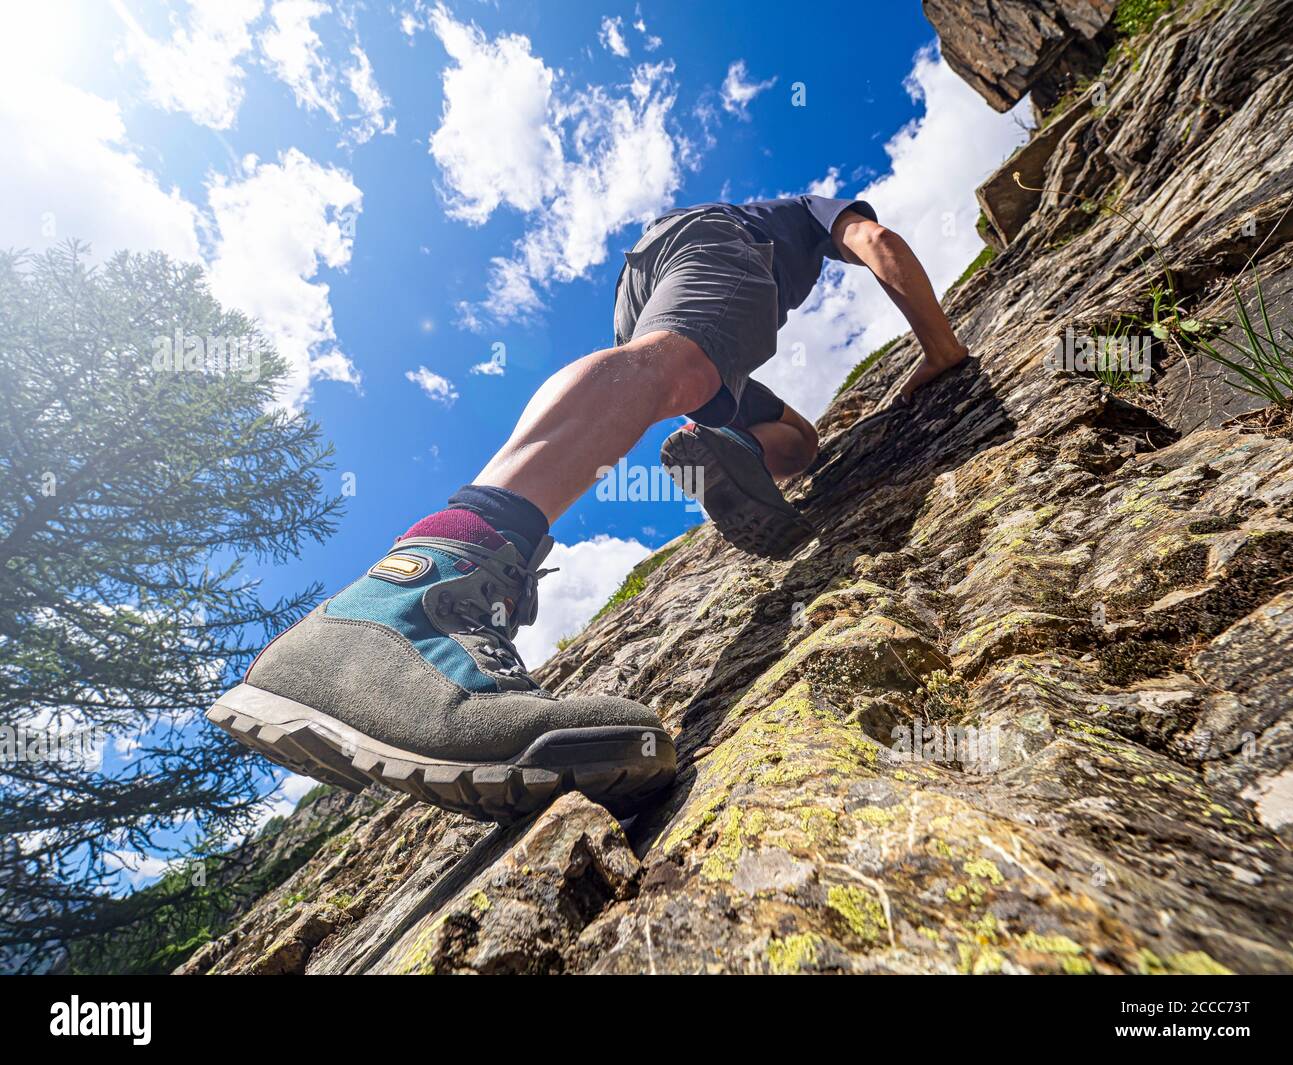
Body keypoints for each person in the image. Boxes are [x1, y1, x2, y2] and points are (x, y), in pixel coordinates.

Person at [209, 195, 969, 822]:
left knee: (795, 438)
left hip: (644, 288)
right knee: (676, 363)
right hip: (715, 246)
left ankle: (722, 446)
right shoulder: (805, 214)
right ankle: (421, 583)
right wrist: (941, 350)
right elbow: (879, 239)